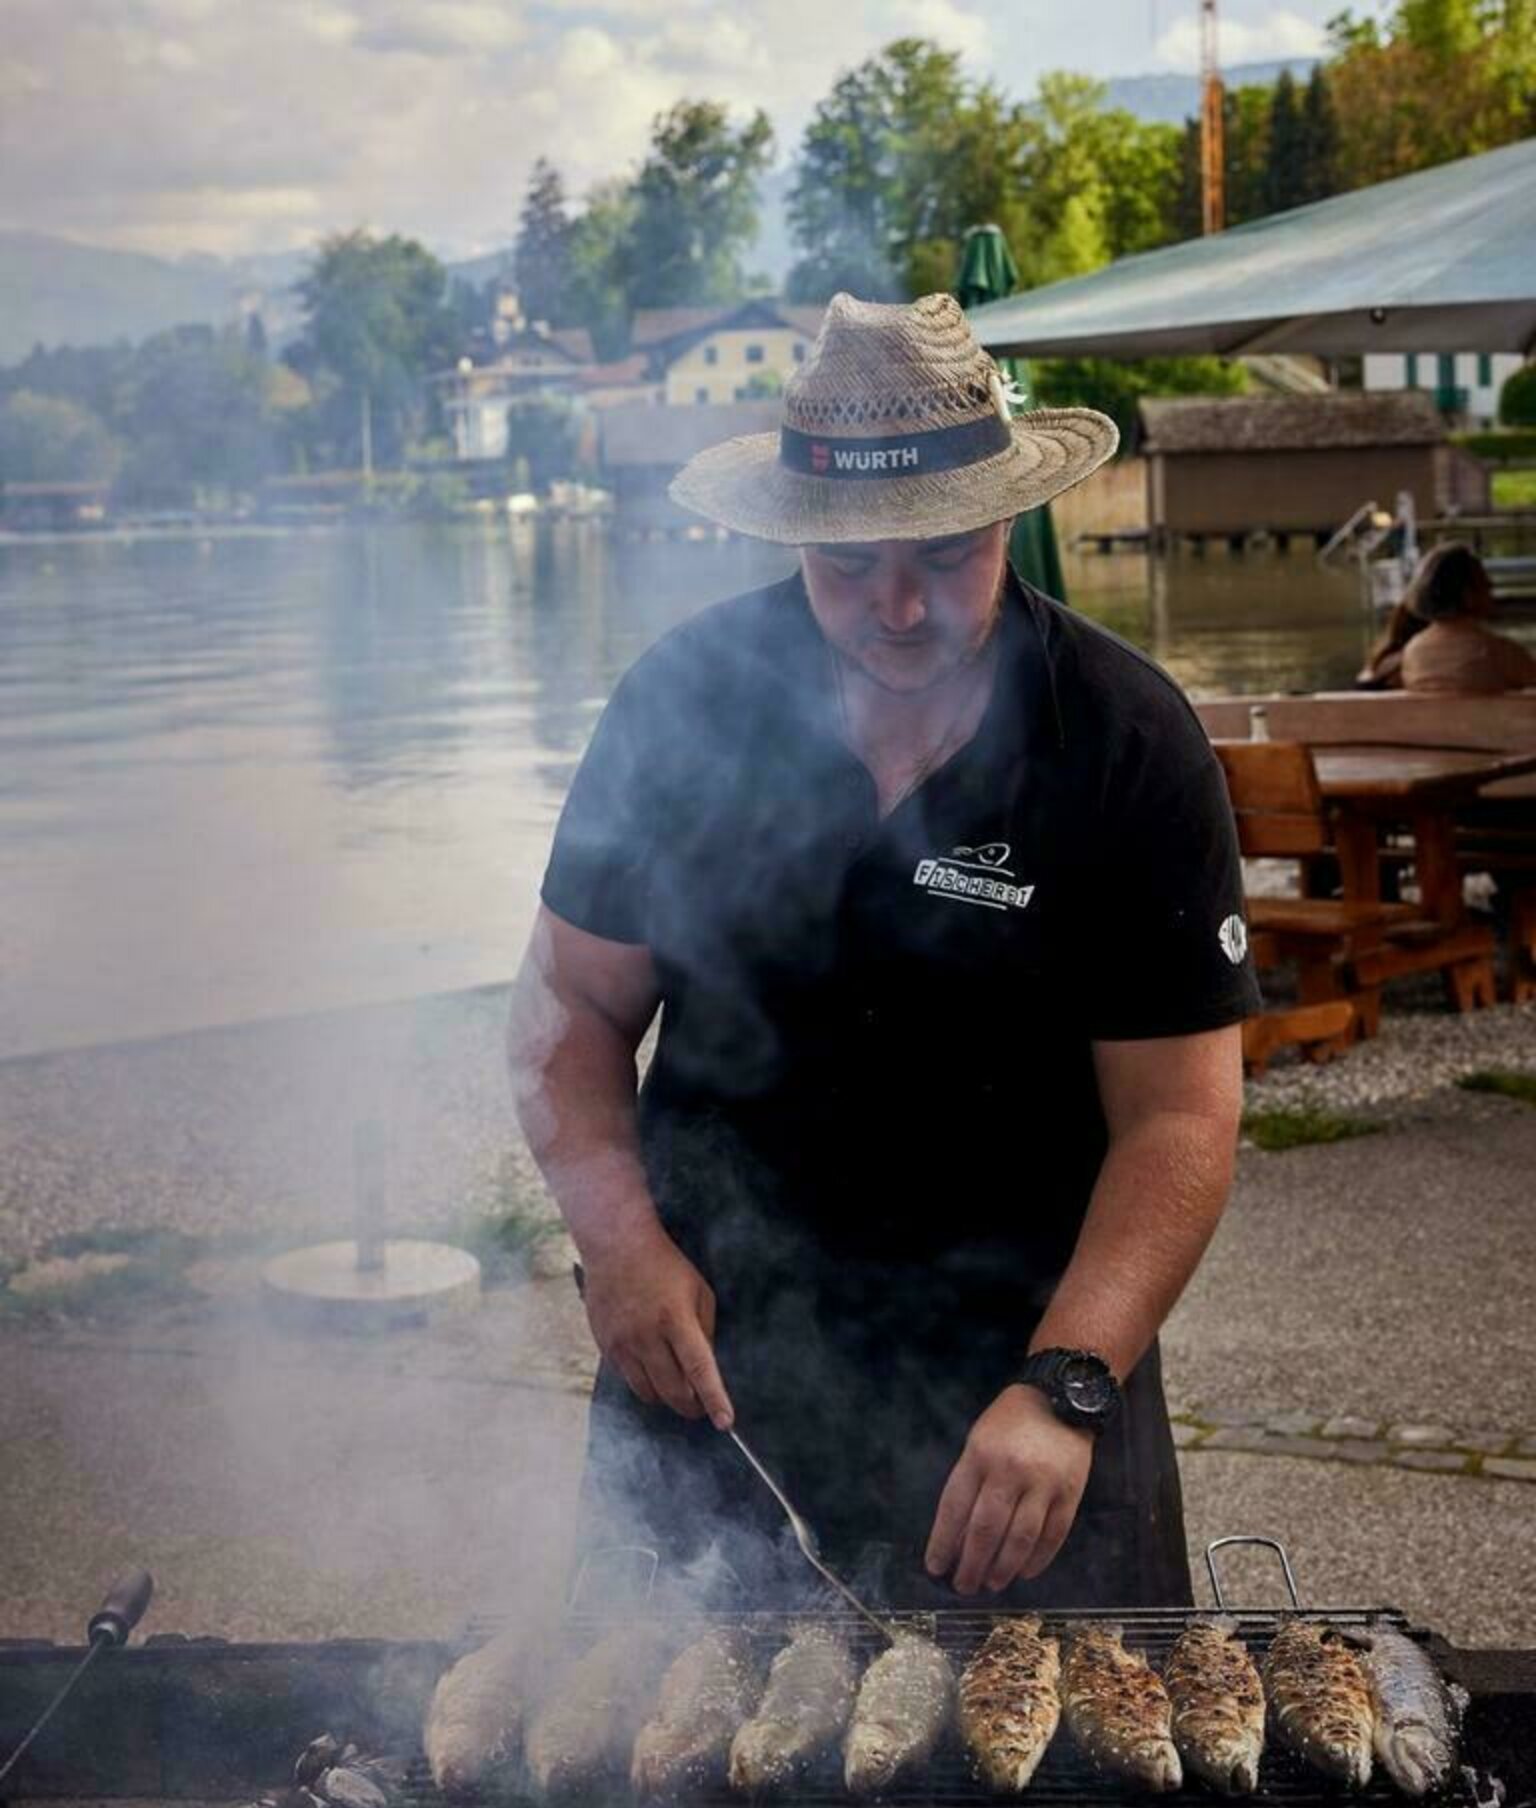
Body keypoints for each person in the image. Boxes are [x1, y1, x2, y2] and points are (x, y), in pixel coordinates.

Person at [508, 294, 1259, 1614]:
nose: (900, 607)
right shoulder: (682, 705)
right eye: (851, 566)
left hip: (1025, 1392)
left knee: (1078, 1773)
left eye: (948, 555)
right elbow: (568, 1006)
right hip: (719, 1368)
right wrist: (616, 1243)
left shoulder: (1126, 742)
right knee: (660, 1776)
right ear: (794, 533)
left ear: (1011, 519)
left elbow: (1181, 1121)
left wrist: (1069, 1384)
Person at [1362, 543, 1536, 695]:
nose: (1491, 587)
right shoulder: (1499, 653)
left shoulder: (1412, 653)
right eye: (1484, 581)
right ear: (1468, 593)